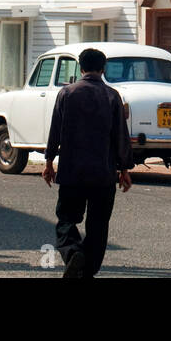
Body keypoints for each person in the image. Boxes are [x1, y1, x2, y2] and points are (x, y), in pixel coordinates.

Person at [42, 47, 132, 278]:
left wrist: (49, 161)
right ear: (103, 69)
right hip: (103, 174)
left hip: (72, 172)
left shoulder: (67, 93)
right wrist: (124, 169)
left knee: (66, 220)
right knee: (98, 225)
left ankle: (73, 254)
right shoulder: (112, 96)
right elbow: (121, 135)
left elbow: (56, 131)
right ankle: (87, 270)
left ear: (80, 68)